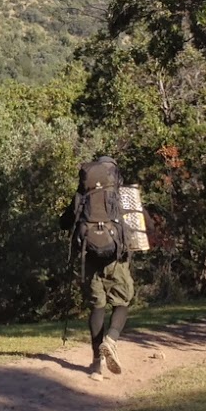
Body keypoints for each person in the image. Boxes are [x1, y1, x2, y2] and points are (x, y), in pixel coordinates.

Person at [61, 152, 135, 374]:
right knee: (122, 302)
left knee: (97, 306)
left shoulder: (83, 195)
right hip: (116, 258)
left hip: (90, 257)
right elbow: (141, 225)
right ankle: (111, 339)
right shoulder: (123, 194)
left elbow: (64, 222)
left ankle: (96, 364)